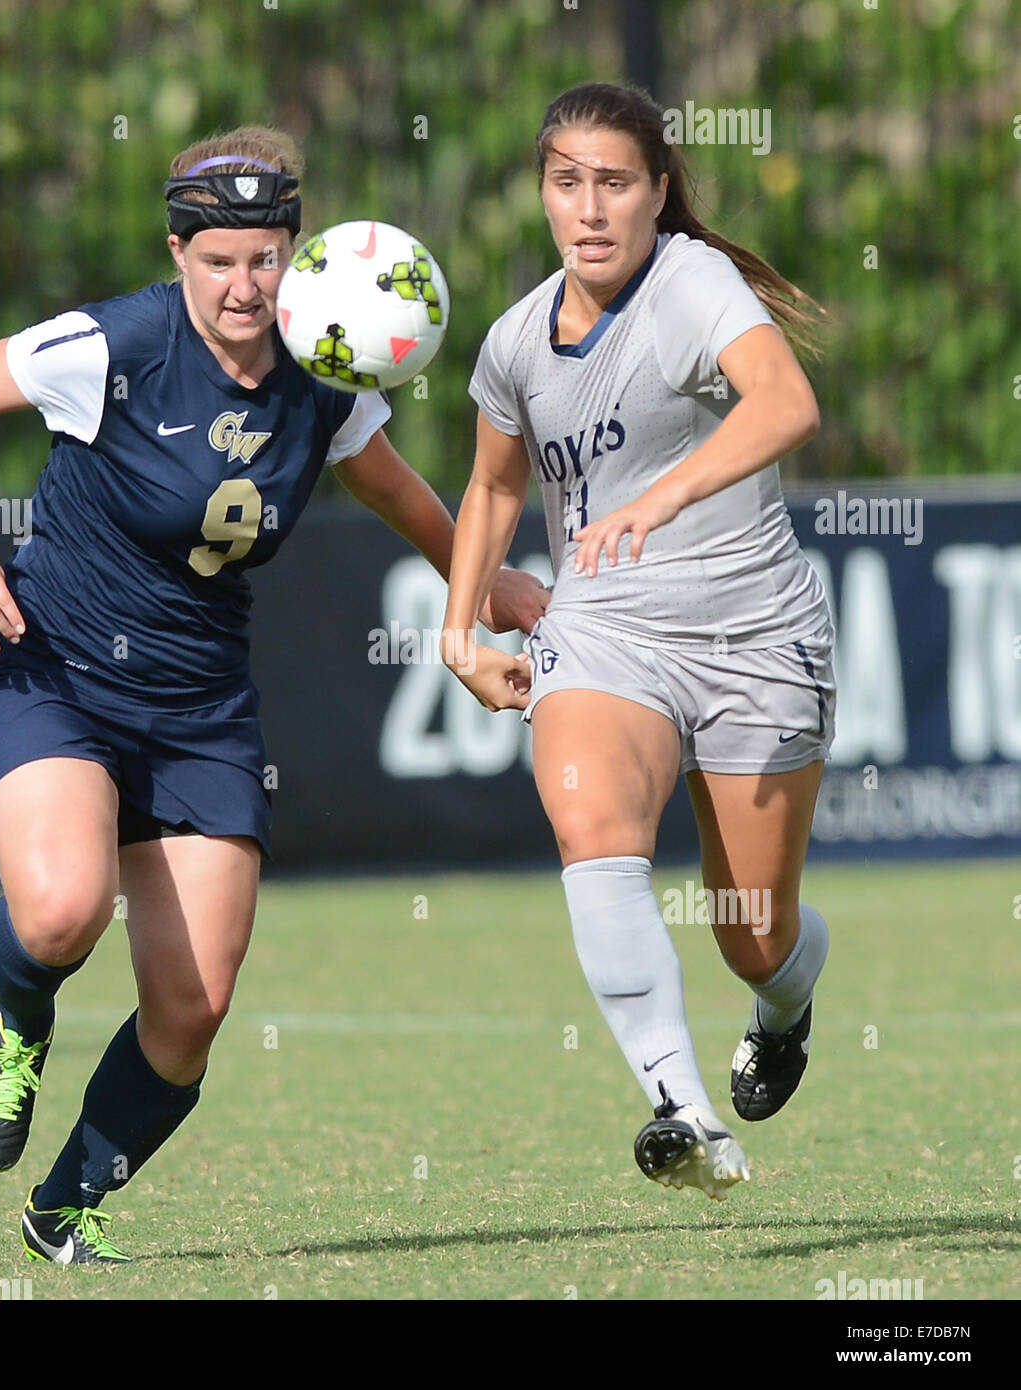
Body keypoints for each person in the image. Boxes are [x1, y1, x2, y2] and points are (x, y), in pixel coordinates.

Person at [0, 125, 547, 1262]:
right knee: (61, 911)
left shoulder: (326, 362)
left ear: (297, 255)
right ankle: (18, 1024)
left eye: (265, 257)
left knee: (191, 1009)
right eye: (218, 260)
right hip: (51, 669)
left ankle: (63, 1209)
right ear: (179, 253)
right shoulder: (121, 341)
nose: (243, 284)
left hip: (198, 710)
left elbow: (393, 488)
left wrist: (484, 579)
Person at [441, 82, 834, 1199]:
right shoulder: (517, 338)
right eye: (567, 182)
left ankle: (787, 1005)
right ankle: (685, 1110)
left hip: (755, 631)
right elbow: (489, 484)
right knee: (592, 829)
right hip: (605, 628)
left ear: (659, 192)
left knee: (752, 933)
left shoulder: (691, 284)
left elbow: (784, 404)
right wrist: (459, 629)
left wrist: (658, 501)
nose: (592, 208)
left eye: (616, 182)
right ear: (543, 195)